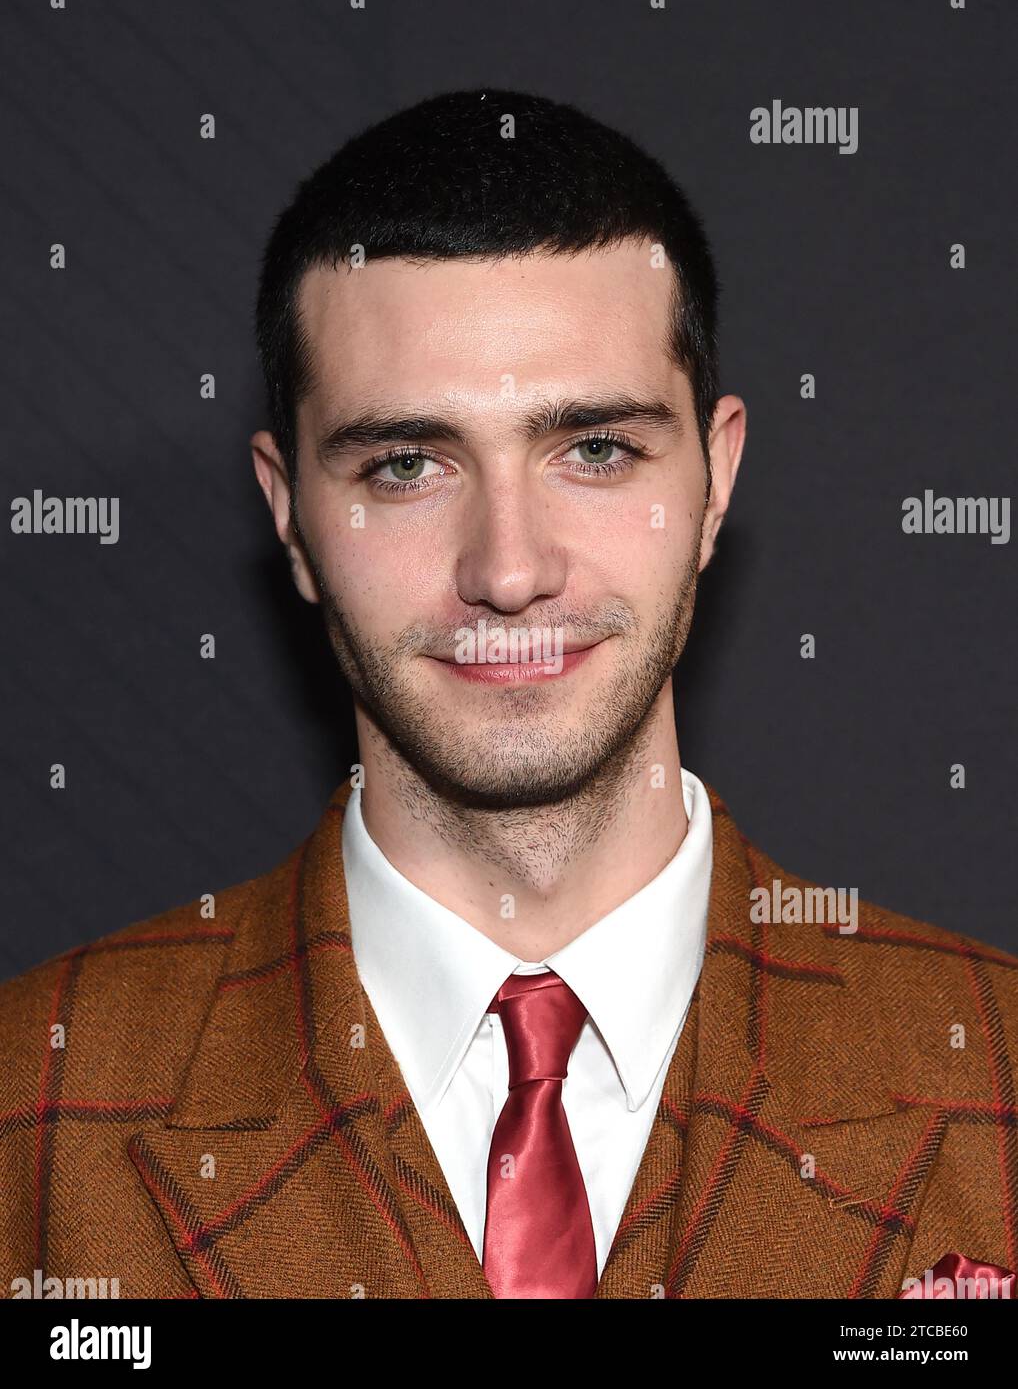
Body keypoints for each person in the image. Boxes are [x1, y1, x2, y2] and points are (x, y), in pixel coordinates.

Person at [2, 89, 1015, 1302]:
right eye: (406, 465)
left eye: (595, 450)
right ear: (290, 514)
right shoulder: (29, 1107)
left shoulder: (993, 1073)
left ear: (715, 477)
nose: (509, 570)